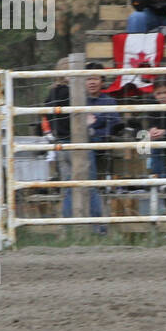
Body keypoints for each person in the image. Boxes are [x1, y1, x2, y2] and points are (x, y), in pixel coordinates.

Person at [61, 62, 122, 231]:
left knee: (85, 184)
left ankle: (93, 227)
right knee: (73, 184)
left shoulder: (108, 101)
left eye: (95, 78)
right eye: (88, 78)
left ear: (102, 81)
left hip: (98, 147)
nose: (92, 82)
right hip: (78, 147)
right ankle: (73, 226)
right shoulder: (76, 100)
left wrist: (95, 130)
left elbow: (115, 126)